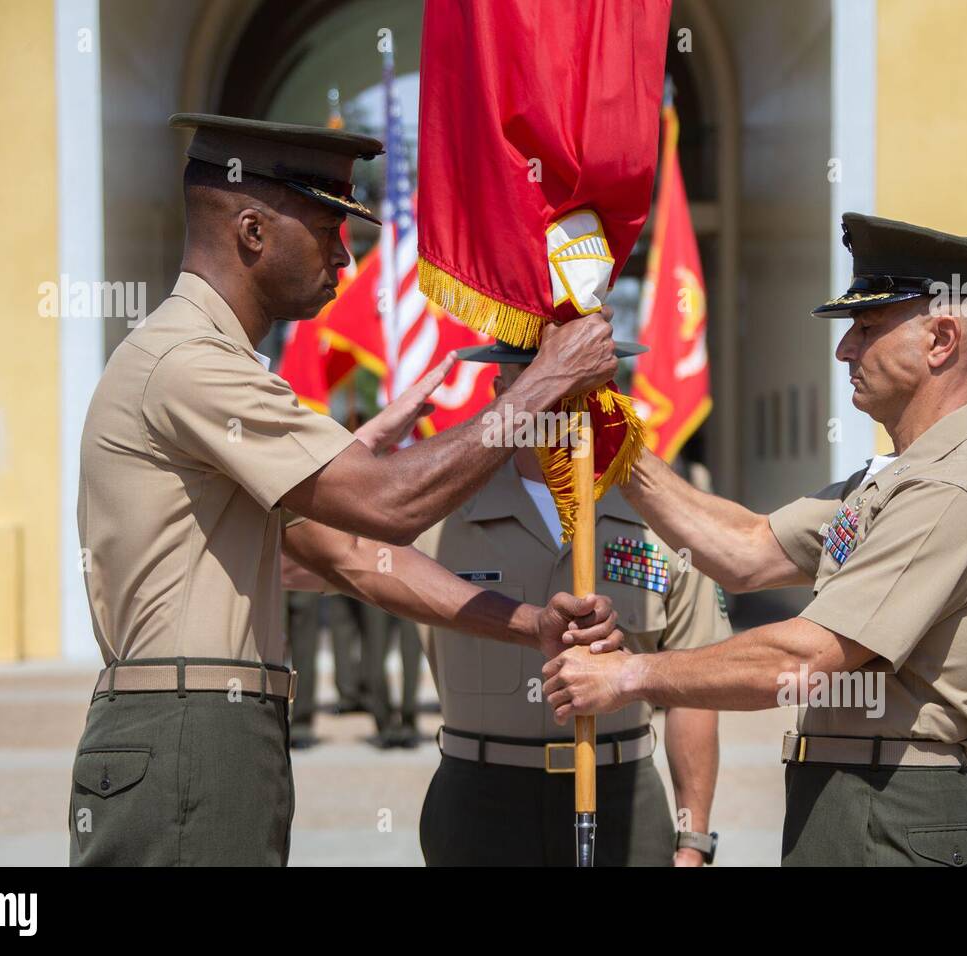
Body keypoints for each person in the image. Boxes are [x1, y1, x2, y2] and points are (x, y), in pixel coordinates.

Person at [70, 113, 623, 866]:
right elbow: (386, 505)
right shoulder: (191, 364)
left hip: (206, 727)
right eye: (329, 230)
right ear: (253, 231)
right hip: (187, 730)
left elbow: (357, 557)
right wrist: (547, 381)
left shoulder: (205, 363)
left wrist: (531, 625)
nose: (345, 258)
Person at [542, 213, 967, 867]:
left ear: (942, 340)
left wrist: (630, 674)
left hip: (895, 804)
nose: (845, 351)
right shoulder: (903, 478)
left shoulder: (954, 490)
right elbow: (746, 550)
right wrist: (616, 435)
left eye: (866, 328)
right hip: (861, 795)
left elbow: (803, 658)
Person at [413, 355, 728, 866]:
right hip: (481, 802)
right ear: (500, 392)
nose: (559, 391)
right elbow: (333, 554)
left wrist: (694, 842)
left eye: (578, 375)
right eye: (535, 377)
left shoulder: (665, 517)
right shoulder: (439, 517)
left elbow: (695, 689)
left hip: (623, 795)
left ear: (610, 389)